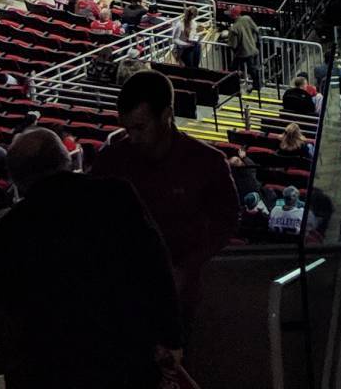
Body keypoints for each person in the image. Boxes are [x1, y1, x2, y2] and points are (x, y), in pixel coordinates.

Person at [0, 126, 182, 389]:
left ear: (16, 177)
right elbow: (155, 265)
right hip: (127, 350)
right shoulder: (115, 194)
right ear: (66, 159)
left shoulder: (6, 233)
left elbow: (12, 309)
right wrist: (171, 336)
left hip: (54, 366)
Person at [91, 70, 240, 318]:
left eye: (140, 127)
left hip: (184, 298)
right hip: (124, 296)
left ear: (167, 115)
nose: (133, 137)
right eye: (128, 129)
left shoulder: (207, 162)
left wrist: (189, 266)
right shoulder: (111, 161)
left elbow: (227, 220)